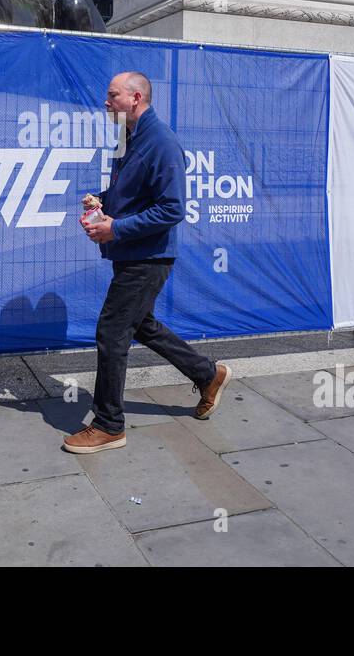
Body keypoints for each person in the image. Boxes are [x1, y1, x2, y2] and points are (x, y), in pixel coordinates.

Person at [62, 71, 231, 454]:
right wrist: (103, 201)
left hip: (148, 256)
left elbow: (172, 210)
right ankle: (208, 374)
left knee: (111, 331)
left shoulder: (162, 142)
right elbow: (133, 193)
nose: (106, 102)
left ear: (135, 98)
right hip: (134, 252)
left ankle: (108, 425)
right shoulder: (129, 136)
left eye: (113, 96)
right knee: (142, 325)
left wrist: (116, 228)